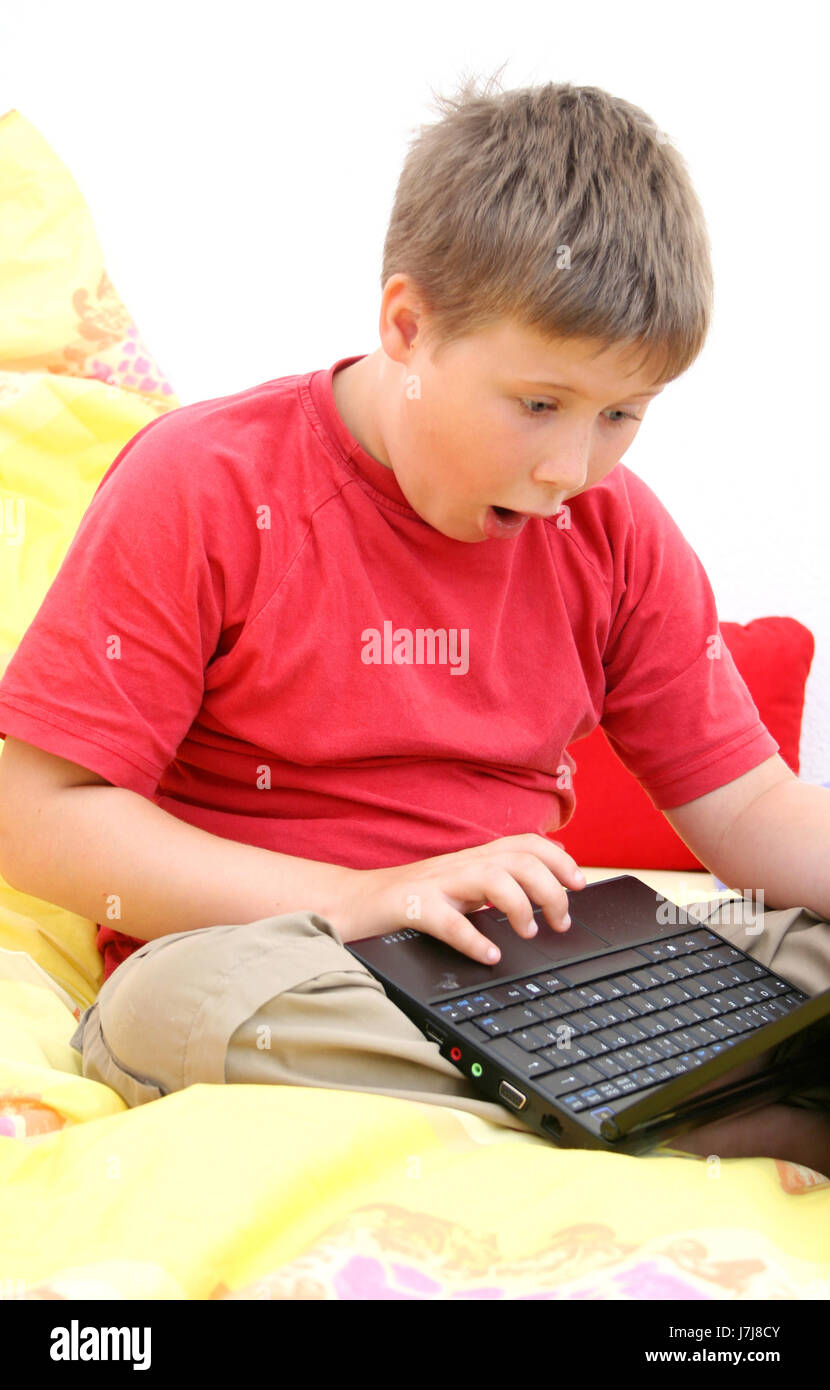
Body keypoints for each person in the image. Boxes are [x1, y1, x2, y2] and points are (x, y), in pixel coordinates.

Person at [0, 73, 828, 1172]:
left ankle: (625, 1095)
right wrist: (361, 897)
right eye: (537, 404)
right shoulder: (204, 483)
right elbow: (35, 812)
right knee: (167, 1011)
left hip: (542, 969)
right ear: (408, 326)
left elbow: (752, 805)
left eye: (621, 415)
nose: (567, 468)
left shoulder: (611, 527)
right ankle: (700, 1110)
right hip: (294, 959)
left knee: (805, 951)